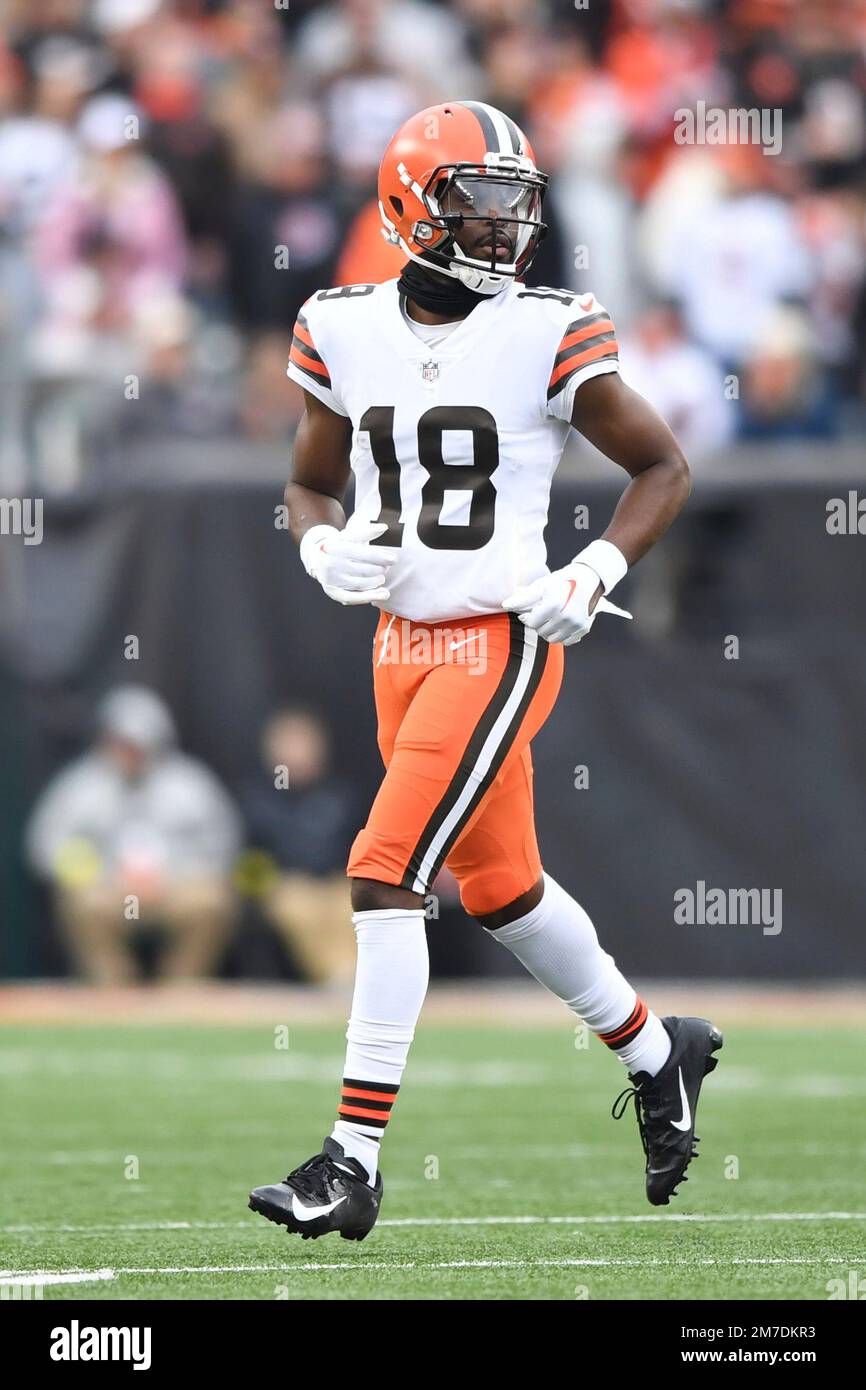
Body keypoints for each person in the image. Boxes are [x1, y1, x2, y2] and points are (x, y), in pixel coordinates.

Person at [249, 101, 722, 1243]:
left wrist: (594, 568)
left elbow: (660, 465)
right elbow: (307, 480)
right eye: (479, 201)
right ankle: (663, 1055)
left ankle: (349, 1159)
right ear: (413, 205)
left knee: (381, 871)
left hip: (498, 637)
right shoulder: (340, 324)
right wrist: (319, 542)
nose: (506, 227)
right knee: (500, 888)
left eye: (517, 203)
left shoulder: (547, 327)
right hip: (397, 648)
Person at [25, 684, 240, 983]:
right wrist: (97, 874)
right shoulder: (80, 786)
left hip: (174, 889)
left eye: (138, 744)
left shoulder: (191, 785)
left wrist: (174, 875)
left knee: (212, 901)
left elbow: (224, 845)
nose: (129, 752)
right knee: (82, 903)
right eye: (120, 742)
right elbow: (44, 846)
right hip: (107, 889)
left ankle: (181, 989)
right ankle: (114, 991)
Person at [239, 708, 356, 983]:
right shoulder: (257, 801)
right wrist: (262, 889)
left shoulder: (340, 797)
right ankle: (337, 977)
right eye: (289, 745)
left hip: (336, 883)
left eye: (303, 744)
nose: (297, 754)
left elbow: (358, 847)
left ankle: (351, 975)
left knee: (350, 908)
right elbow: (247, 860)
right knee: (299, 908)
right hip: (286, 885)